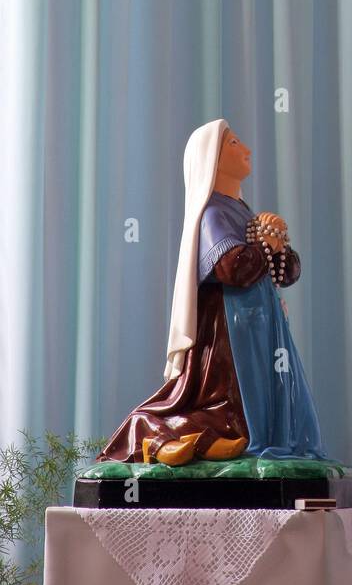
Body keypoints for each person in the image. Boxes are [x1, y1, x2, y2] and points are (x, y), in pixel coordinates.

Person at [98, 119, 325, 466]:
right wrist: (267, 242)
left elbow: (285, 273)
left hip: (258, 331)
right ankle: (153, 436)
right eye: (234, 144)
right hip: (227, 337)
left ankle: (206, 442)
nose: (246, 150)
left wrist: (280, 249)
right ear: (213, 159)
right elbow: (234, 269)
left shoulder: (243, 211)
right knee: (227, 405)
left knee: (250, 414)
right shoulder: (213, 214)